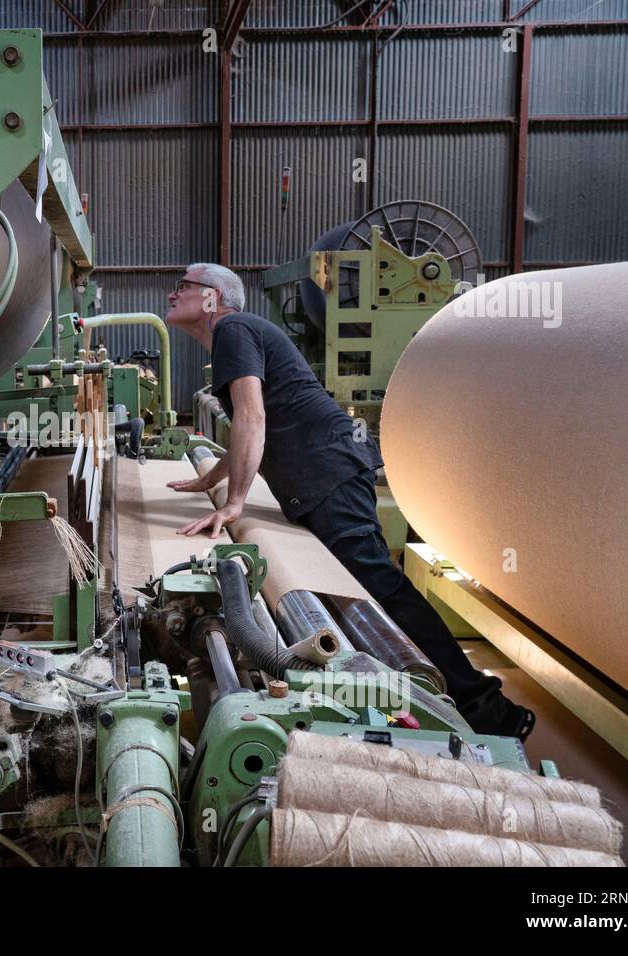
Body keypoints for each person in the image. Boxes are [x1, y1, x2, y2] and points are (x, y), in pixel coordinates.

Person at [163, 262, 534, 741]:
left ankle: (487, 709)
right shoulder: (236, 334)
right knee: (360, 590)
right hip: (320, 479)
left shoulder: (233, 327)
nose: (173, 294)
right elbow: (250, 422)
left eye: (183, 286)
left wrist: (233, 503)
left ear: (212, 297)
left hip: (329, 474)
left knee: (380, 585)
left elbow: (252, 416)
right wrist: (211, 478)